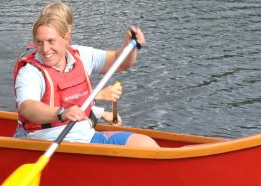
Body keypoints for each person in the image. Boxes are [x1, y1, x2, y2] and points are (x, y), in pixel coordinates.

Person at [13, 12, 159, 148]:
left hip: (87, 137)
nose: (45, 49)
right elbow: (27, 107)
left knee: (145, 144)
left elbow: (119, 61)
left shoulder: (80, 55)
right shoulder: (30, 71)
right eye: (39, 42)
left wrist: (129, 48)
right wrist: (61, 113)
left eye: (51, 41)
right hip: (49, 142)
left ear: (66, 39)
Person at [35, 1, 123, 125]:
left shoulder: (80, 55)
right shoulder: (36, 62)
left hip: (71, 125)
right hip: (46, 130)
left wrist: (100, 113)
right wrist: (98, 95)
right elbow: (52, 102)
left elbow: (72, 103)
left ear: (69, 28)